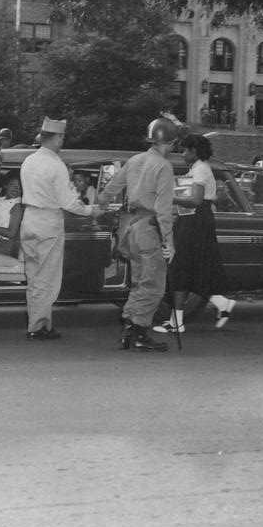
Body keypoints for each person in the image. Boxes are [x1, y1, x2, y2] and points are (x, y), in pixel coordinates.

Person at [97, 117, 177, 353]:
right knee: (153, 285)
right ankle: (138, 331)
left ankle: (130, 327)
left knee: (139, 283)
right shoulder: (163, 166)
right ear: (169, 142)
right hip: (150, 229)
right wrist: (169, 242)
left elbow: (109, 189)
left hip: (132, 227)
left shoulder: (134, 160)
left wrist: (101, 205)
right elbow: (163, 210)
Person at [19, 117, 101, 340]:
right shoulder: (56, 165)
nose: (63, 141)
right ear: (55, 138)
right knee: (48, 278)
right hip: (48, 221)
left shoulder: (28, 161)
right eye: (62, 137)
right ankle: (38, 327)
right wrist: (90, 211)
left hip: (29, 218)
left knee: (34, 276)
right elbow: (69, 202)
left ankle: (39, 323)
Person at [154, 134, 236, 335]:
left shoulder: (200, 169)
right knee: (190, 267)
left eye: (186, 150)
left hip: (195, 220)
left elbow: (196, 200)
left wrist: (169, 197)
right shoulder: (199, 168)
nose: (183, 154)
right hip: (194, 220)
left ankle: (177, 322)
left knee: (180, 266)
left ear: (194, 151)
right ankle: (220, 303)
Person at [0, 174, 24, 256]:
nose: (16, 189)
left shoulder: (17, 205)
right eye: (13, 185)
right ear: (6, 185)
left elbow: (11, 233)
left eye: (19, 187)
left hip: (3, 244)